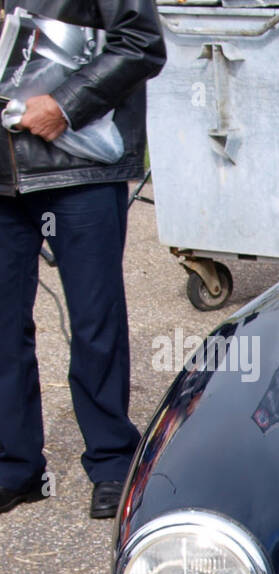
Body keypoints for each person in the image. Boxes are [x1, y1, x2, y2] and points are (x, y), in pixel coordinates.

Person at [0, 1, 166, 518]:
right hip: (2, 175)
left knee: (95, 319)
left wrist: (65, 104)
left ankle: (113, 460)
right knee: (3, 324)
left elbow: (141, 42)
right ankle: (16, 466)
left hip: (80, 167)